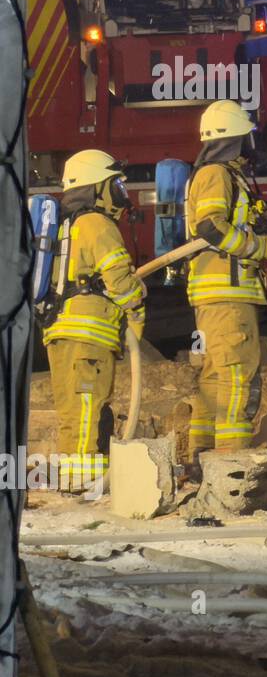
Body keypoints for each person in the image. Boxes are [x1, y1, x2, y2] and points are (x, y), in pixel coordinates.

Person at [184, 99, 267, 457]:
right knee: (236, 376)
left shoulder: (224, 175)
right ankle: (232, 459)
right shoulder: (216, 174)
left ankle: (203, 455)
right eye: (247, 136)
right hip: (227, 294)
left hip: (218, 296)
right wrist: (259, 246)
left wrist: (264, 220)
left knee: (214, 375)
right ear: (235, 138)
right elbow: (211, 226)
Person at [43, 149, 145, 491]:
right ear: (95, 187)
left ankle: (74, 479)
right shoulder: (96, 223)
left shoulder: (67, 225)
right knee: (88, 407)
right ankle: (86, 482)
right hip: (88, 335)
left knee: (74, 411)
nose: (121, 191)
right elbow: (118, 277)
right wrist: (137, 304)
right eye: (114, 183)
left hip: (61, 332)